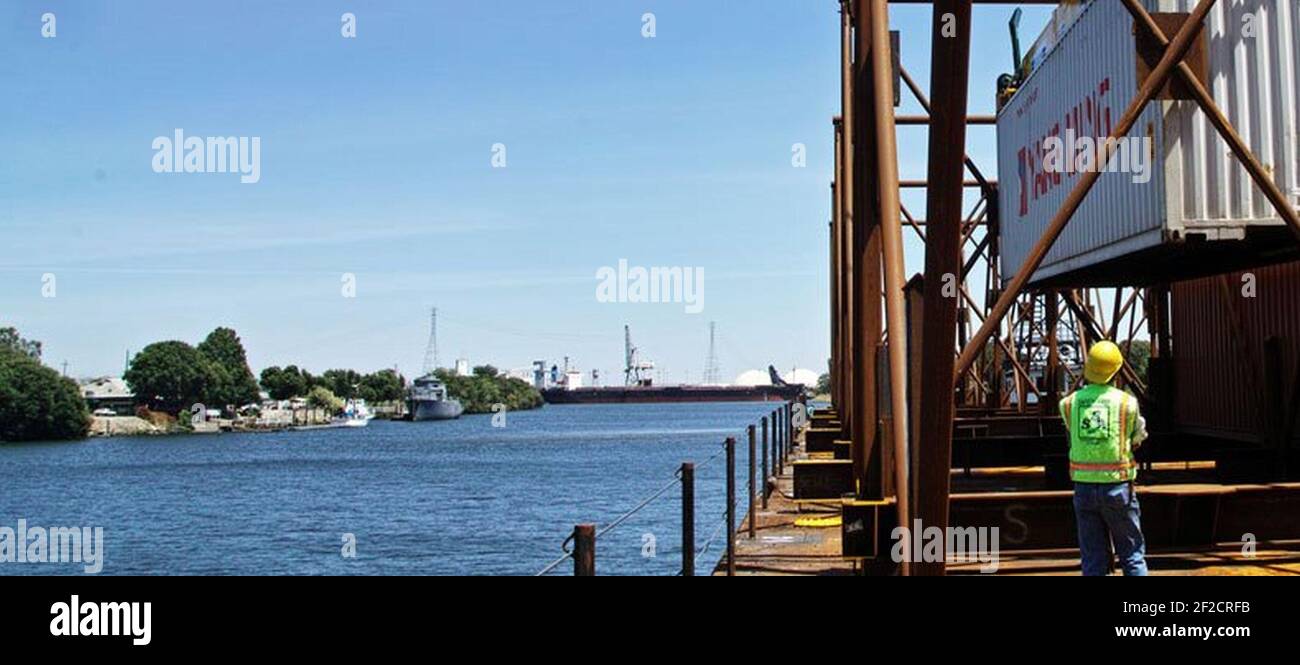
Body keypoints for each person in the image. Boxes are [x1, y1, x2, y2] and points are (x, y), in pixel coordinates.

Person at [1059, 341, 1149, 576]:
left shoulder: (1068, 404)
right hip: (1118, 488)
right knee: (1132, 555)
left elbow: (1073, 433)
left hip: (1084, 490)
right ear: (1116, 371)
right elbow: (1138, 436)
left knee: (1092, 559)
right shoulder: (1127, 403)